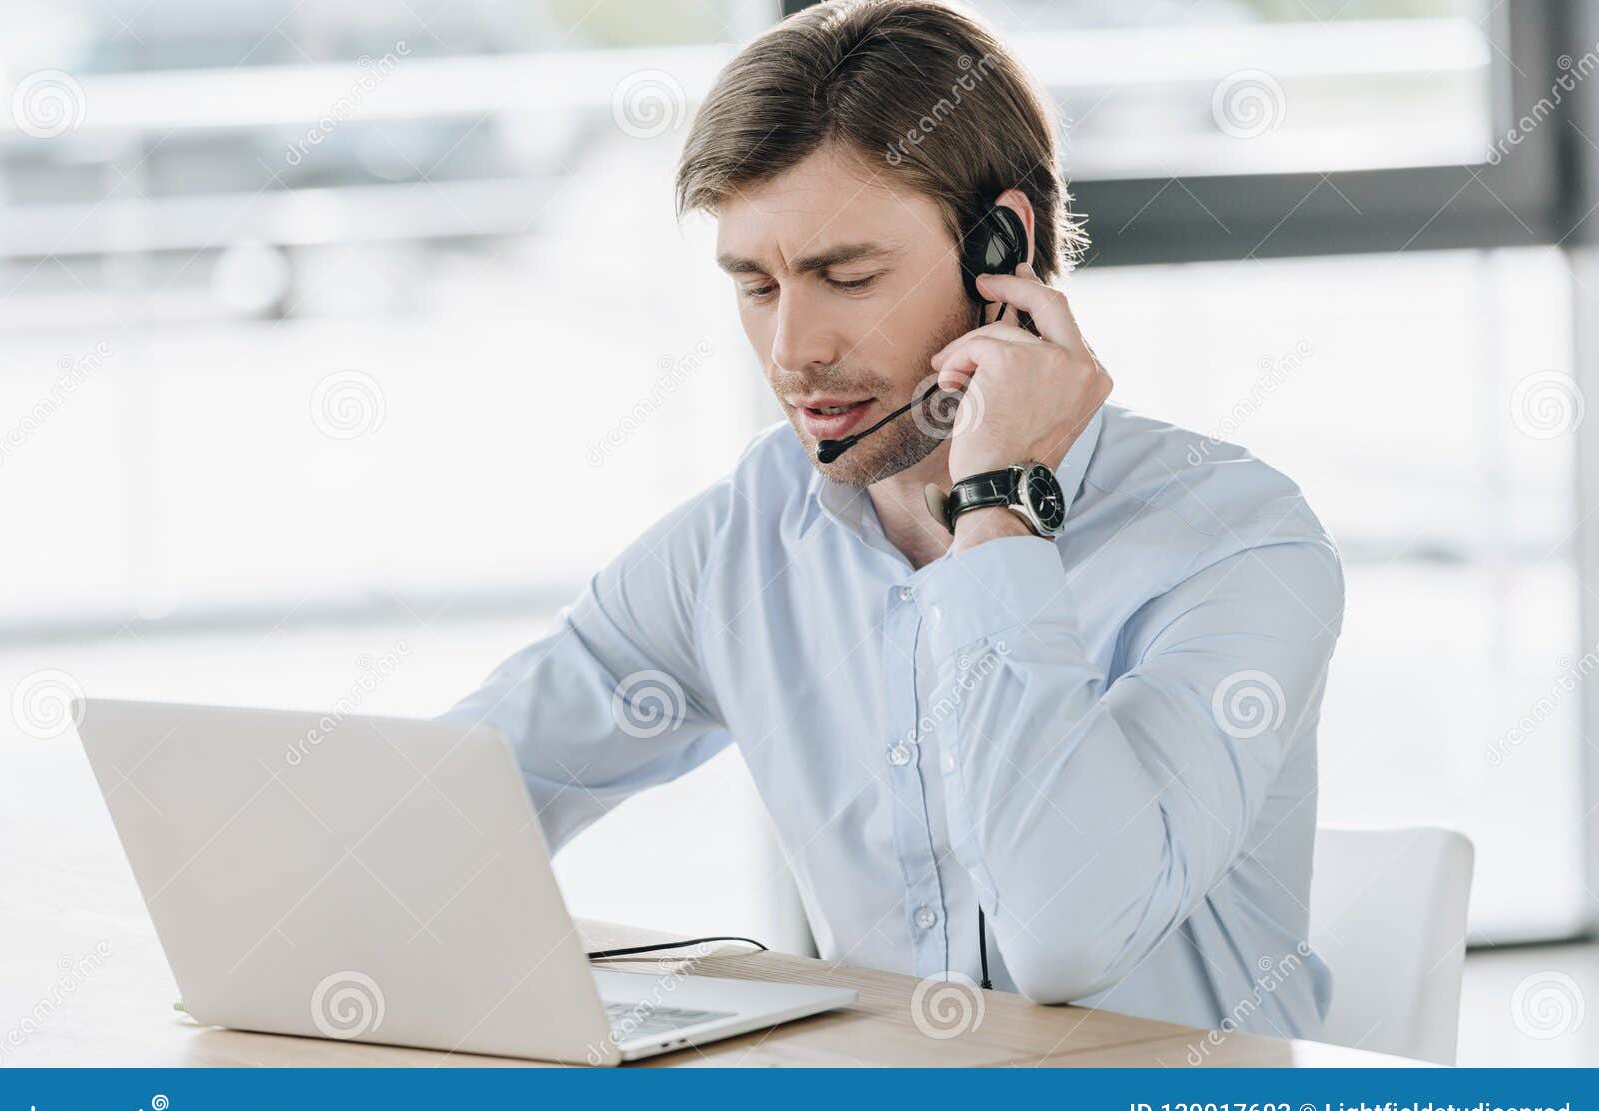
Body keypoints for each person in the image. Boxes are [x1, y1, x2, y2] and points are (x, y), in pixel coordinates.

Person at [442, 0, 1342, 1038]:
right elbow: (458, 799)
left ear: (1003, 248)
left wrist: (999, 504)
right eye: (755, 285)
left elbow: (1068, 937)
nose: (792, 350)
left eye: (847, 277)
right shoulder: (745, 539)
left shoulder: (1236, 541)